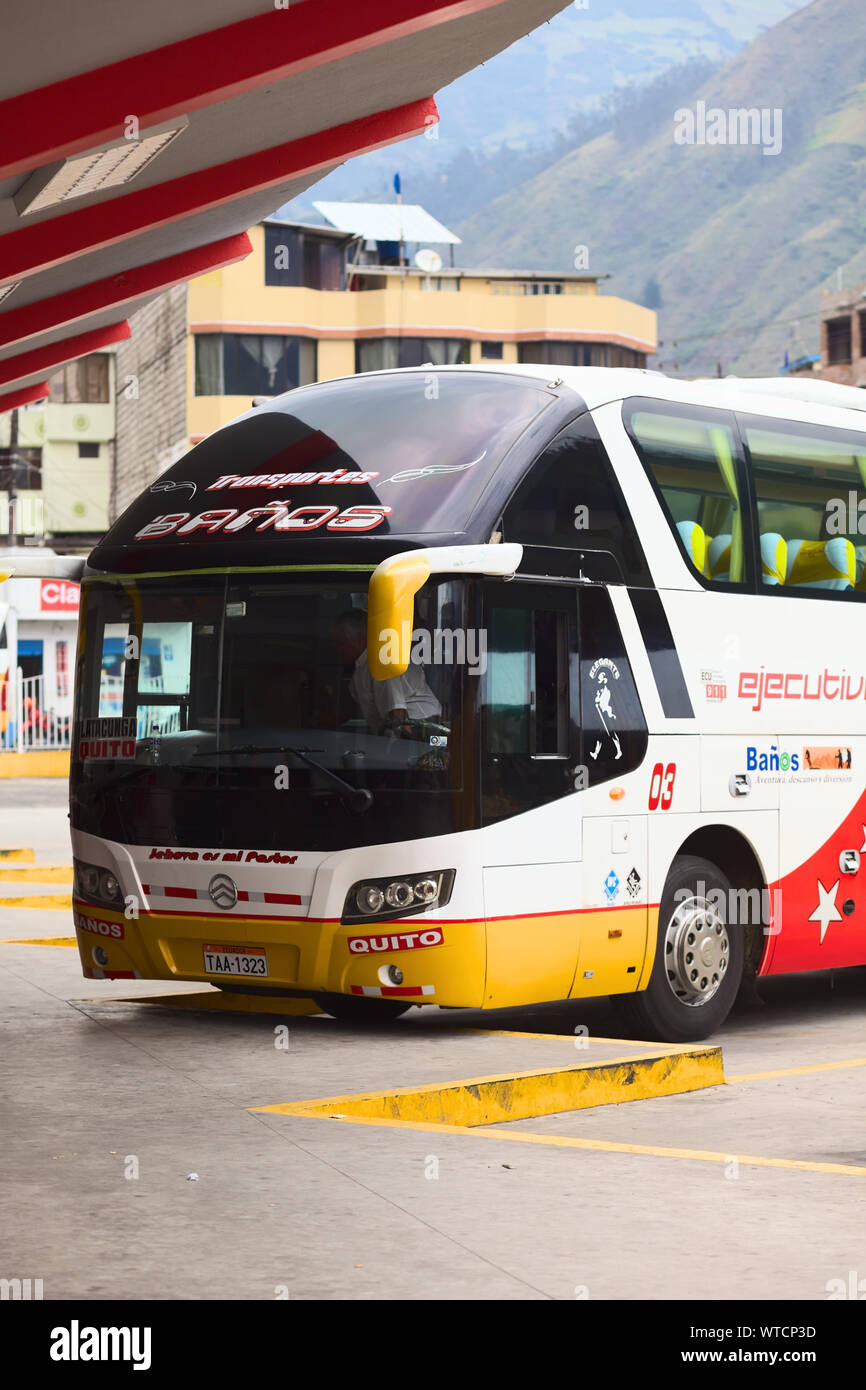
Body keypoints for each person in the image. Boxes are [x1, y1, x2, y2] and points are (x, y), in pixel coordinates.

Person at [333, 609, 441, 735]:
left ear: (359, 640)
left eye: (341, 643)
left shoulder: (381, 661)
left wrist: (395, 749)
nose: (337, 649)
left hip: (421, 730)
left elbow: (398, 715)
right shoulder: (363, 666)